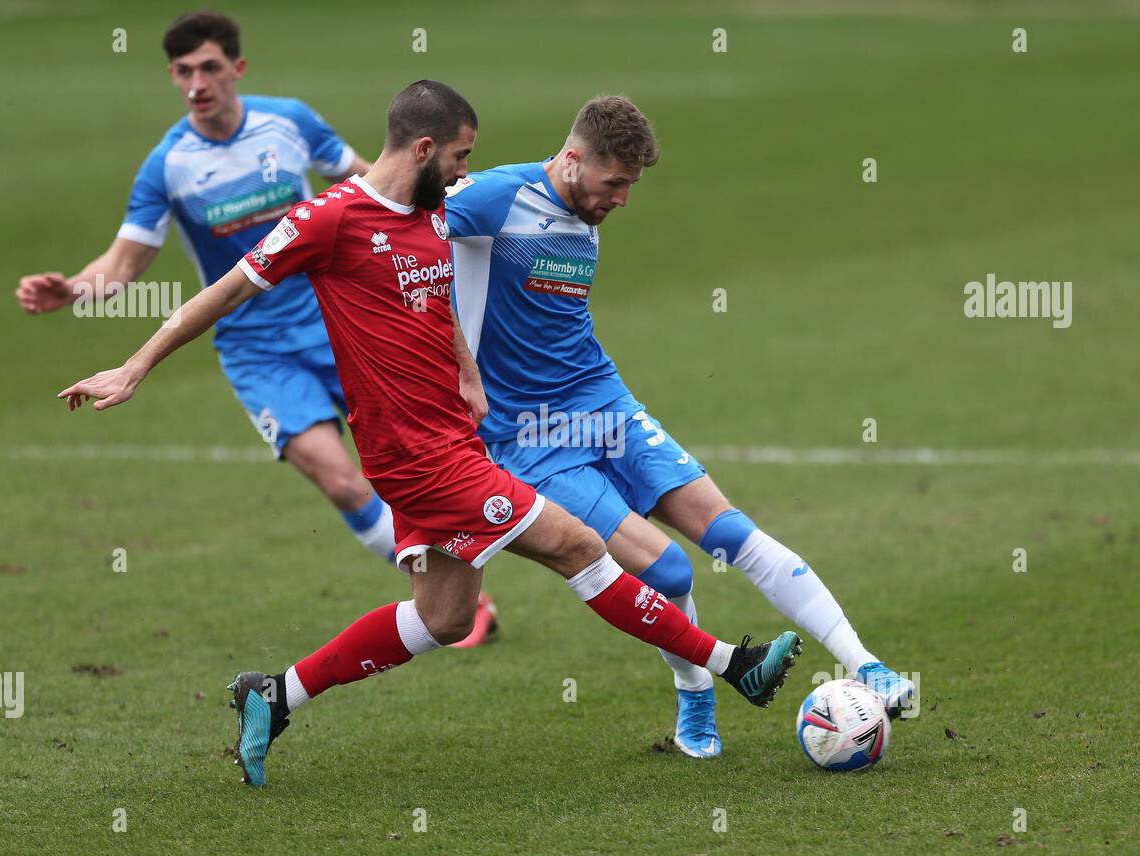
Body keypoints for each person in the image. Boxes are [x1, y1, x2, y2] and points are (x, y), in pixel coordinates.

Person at [57, 80, 804, 787]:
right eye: (459, 158)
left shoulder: (431, 218)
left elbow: (436, 294)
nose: (462, 174)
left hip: (451, 439)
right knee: (578, 545)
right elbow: (222, 293)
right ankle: (733, 665)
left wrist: (467, 374)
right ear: (422, 149)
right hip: (417, 457)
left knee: (443, 618)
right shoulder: (328, 221)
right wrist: (134, 366)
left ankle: (274, 694)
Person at [446, 95, 917, 758]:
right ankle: (695, 697)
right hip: (528, 438)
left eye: (631, 187)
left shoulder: (585, 209)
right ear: (574, 160)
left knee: (727, 530)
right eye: (615, 184)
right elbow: (392, 231)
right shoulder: (491, 198)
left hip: (602, 402)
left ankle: (866, 664)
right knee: (667, 570)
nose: (623, 200)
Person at [14, 11, 495, 644]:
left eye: (209, 67)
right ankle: (450, 609)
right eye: (183, 72)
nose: (196, 83)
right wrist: (76, 288)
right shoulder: (169, 165)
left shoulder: (289, 122)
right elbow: (125, 262)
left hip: (339, 323)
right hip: (256, 348)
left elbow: (373, 187)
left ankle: (447, 598)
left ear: (236, 69)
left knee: (413, 454)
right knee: (341, 479)